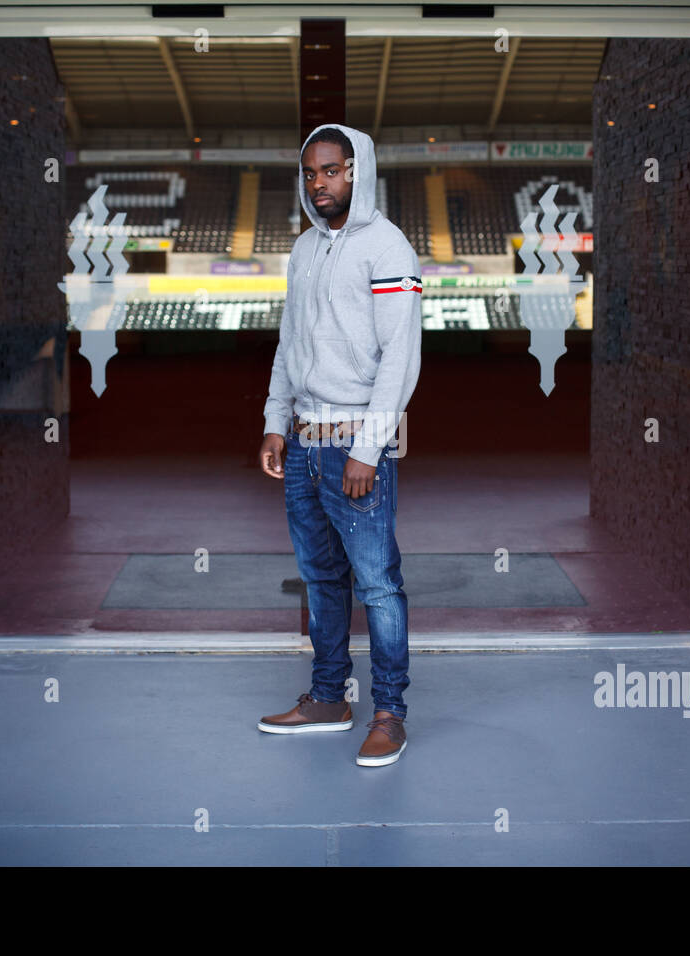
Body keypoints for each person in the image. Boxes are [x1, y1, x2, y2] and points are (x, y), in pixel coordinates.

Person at [256, 124, 422, 767]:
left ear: (357, 171)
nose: (318, 183)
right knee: (320, 577)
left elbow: (400, 359)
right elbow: (287, 342)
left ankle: (389, 715)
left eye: (330, 171)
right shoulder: (302, 249)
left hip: (356, 440)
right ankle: (328, 698)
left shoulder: (388, 249)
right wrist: (276, 420)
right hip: (303, 439)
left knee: (378, 585)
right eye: (310, 174)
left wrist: (369, 448)